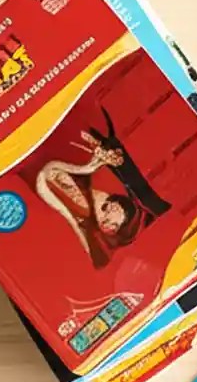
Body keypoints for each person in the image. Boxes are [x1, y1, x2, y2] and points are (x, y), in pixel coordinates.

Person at [34, 106, 170, 268]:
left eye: (105, 211)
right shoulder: (100, 171)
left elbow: (46, 173)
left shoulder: (79, 208)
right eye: (111, 203)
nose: (106, 203)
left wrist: (85, 167)